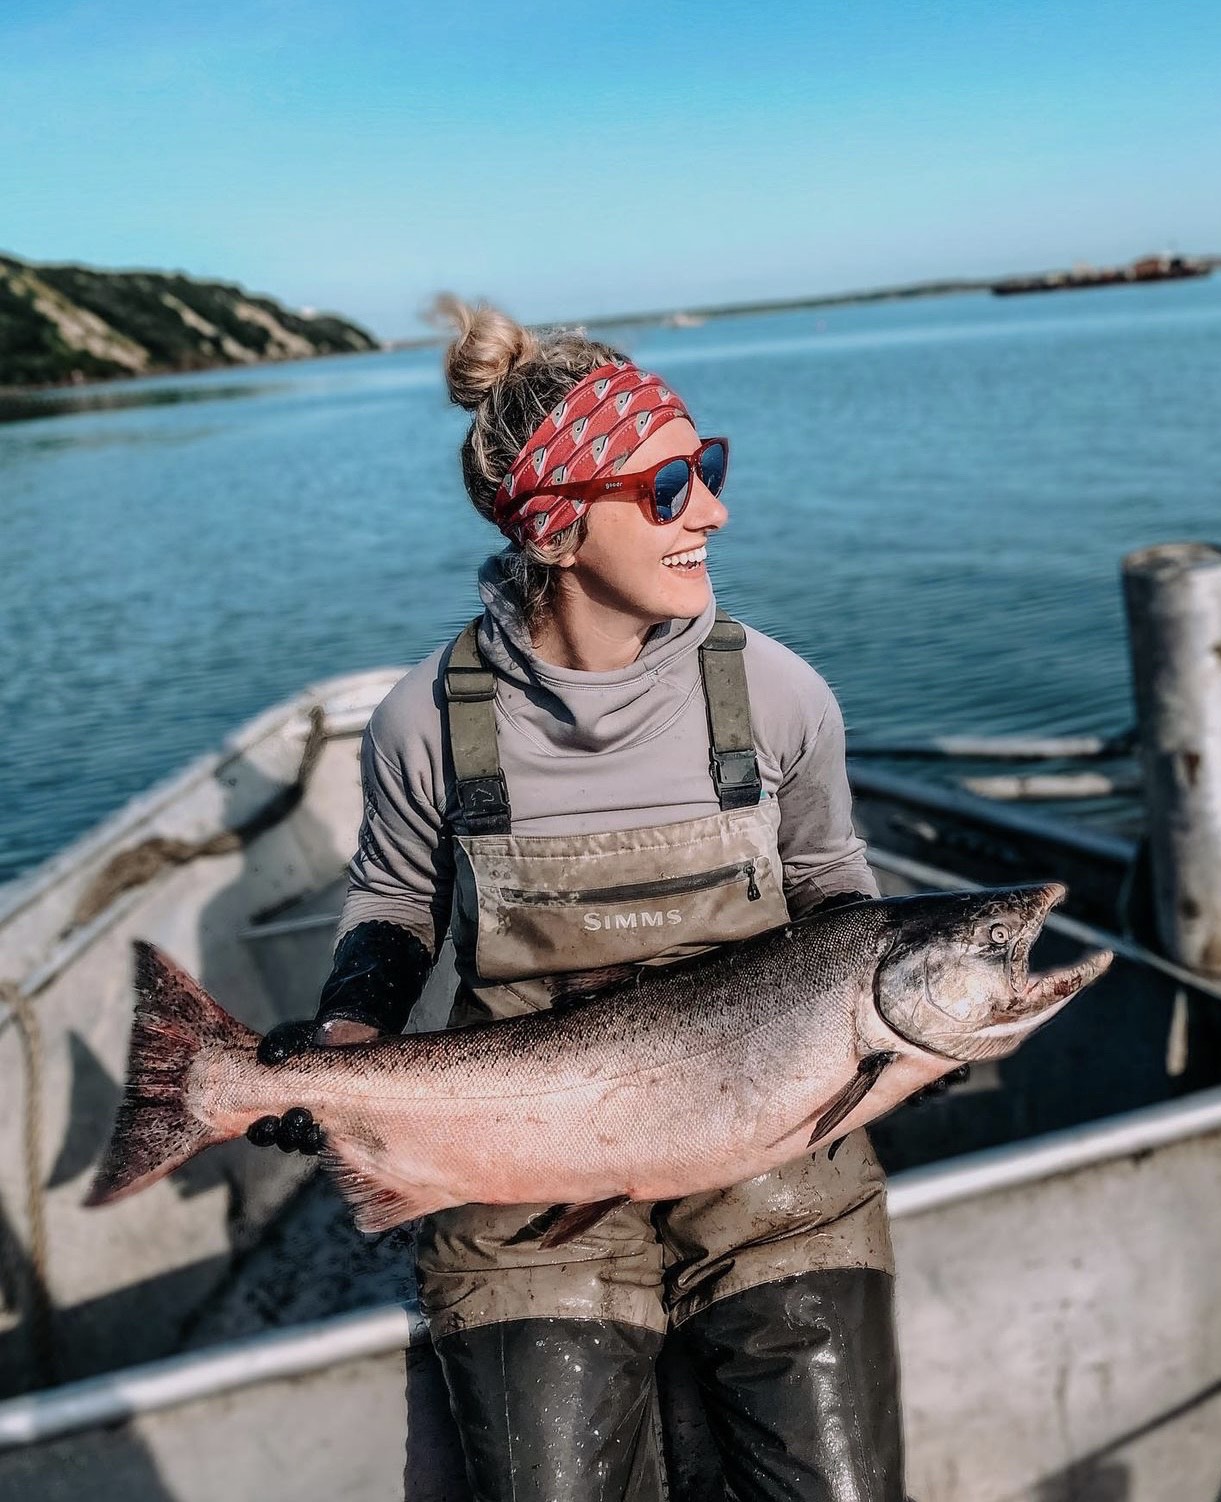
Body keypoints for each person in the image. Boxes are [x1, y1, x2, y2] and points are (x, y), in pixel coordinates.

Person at [250, 299, 906, 1501]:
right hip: (522, 1175)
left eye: (707, 467)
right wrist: (343, 1046)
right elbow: (392, 901)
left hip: (776, 1170)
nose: (712, 509)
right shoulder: (424, 721)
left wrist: (909, 1018)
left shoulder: (778, 691)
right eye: (667, 489)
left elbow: (832, 883)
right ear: (554, 529)